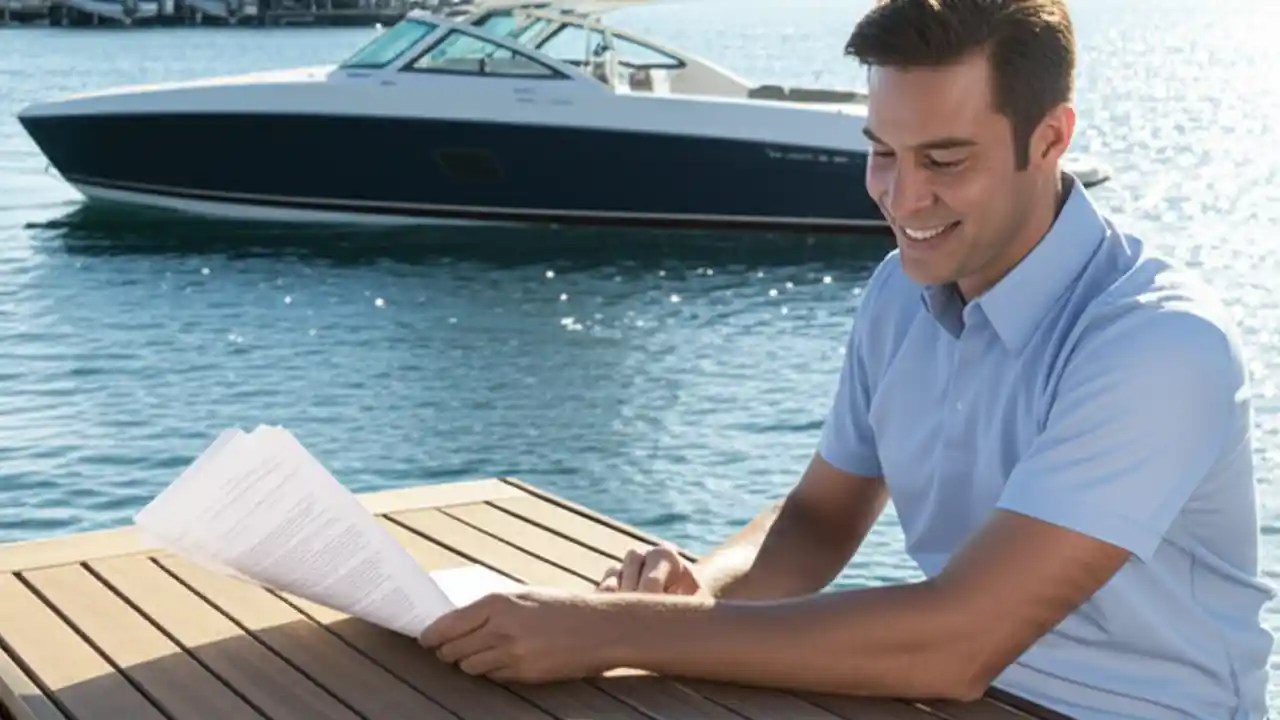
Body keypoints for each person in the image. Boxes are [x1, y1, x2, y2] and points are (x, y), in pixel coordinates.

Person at [419, 1, 1275, 717]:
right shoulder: (898, 295)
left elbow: (957, 642)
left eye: (944, 160)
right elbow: (819, 523)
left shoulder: (1159, 346)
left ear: (1051, 139)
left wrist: (610, 630)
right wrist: (692, 589)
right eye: (881, 152)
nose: (902, 200)